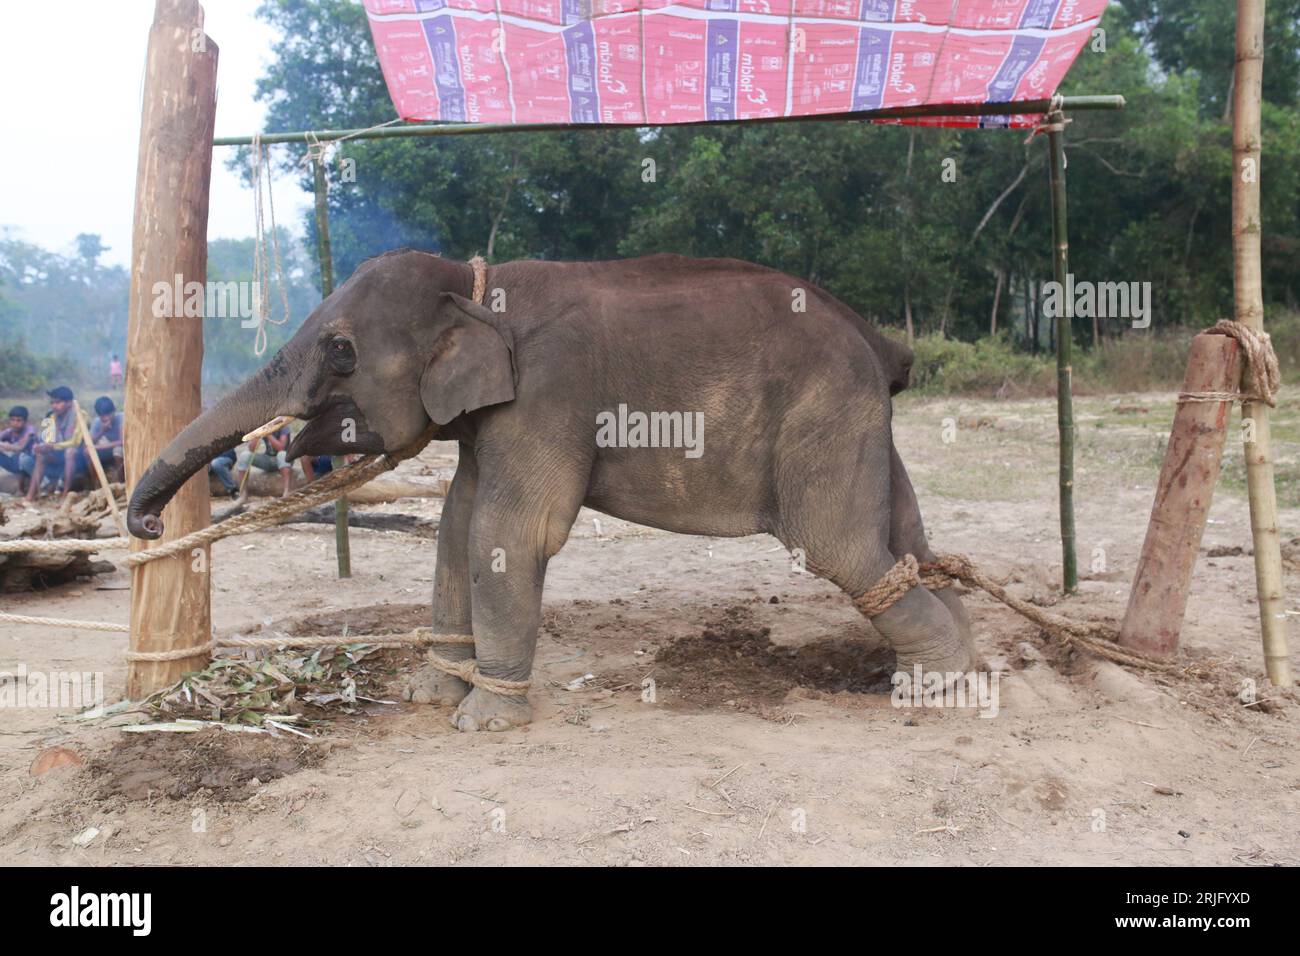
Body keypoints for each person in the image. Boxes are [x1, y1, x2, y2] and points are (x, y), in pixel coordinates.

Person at [24, 386, 80, 502]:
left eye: (58, 402)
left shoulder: (80, 415)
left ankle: (65, 494)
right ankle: (30, 496)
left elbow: (76, 442)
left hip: (78, 457)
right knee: (40, 455)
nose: (54, 406)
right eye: (52, 403)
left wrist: (53, 446)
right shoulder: (51, 417)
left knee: (70, 452)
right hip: (58, 455)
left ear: (69, 403)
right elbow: (47, 440)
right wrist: (41, 447)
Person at [233, 424, 293, 498]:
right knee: (245, 456)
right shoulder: (264, 425)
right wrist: (257, 435)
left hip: (285, 459)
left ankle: (287, 491)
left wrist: (268, 435)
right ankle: (243, 493)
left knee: (281, 454)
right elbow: (251, 449)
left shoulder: (283, 426)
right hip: (269, 459)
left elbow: (281, 447)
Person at [82, 396, 125, 483]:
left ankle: (122, 482)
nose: (106, 418)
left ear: (114, 411)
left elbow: (122, 441)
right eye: (102, 416)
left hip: (124, 450)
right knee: (88, 452)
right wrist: (102, 431)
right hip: (108, 449)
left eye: (108, 414)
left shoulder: (121, 418)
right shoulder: (97, 422)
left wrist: (96, 447)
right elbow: (89, 442)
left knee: (117, 451)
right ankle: (96, 484)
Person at [0, 406, 37, 493]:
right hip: (16, 465)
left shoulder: (30, 431)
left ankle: (21, 489)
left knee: (21, 456)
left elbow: (20, 447)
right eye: (12, 420)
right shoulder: (9, 431)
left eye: (18, 420)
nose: (15, 423)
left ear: (25, 421)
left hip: (31, 464)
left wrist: (4, 445)